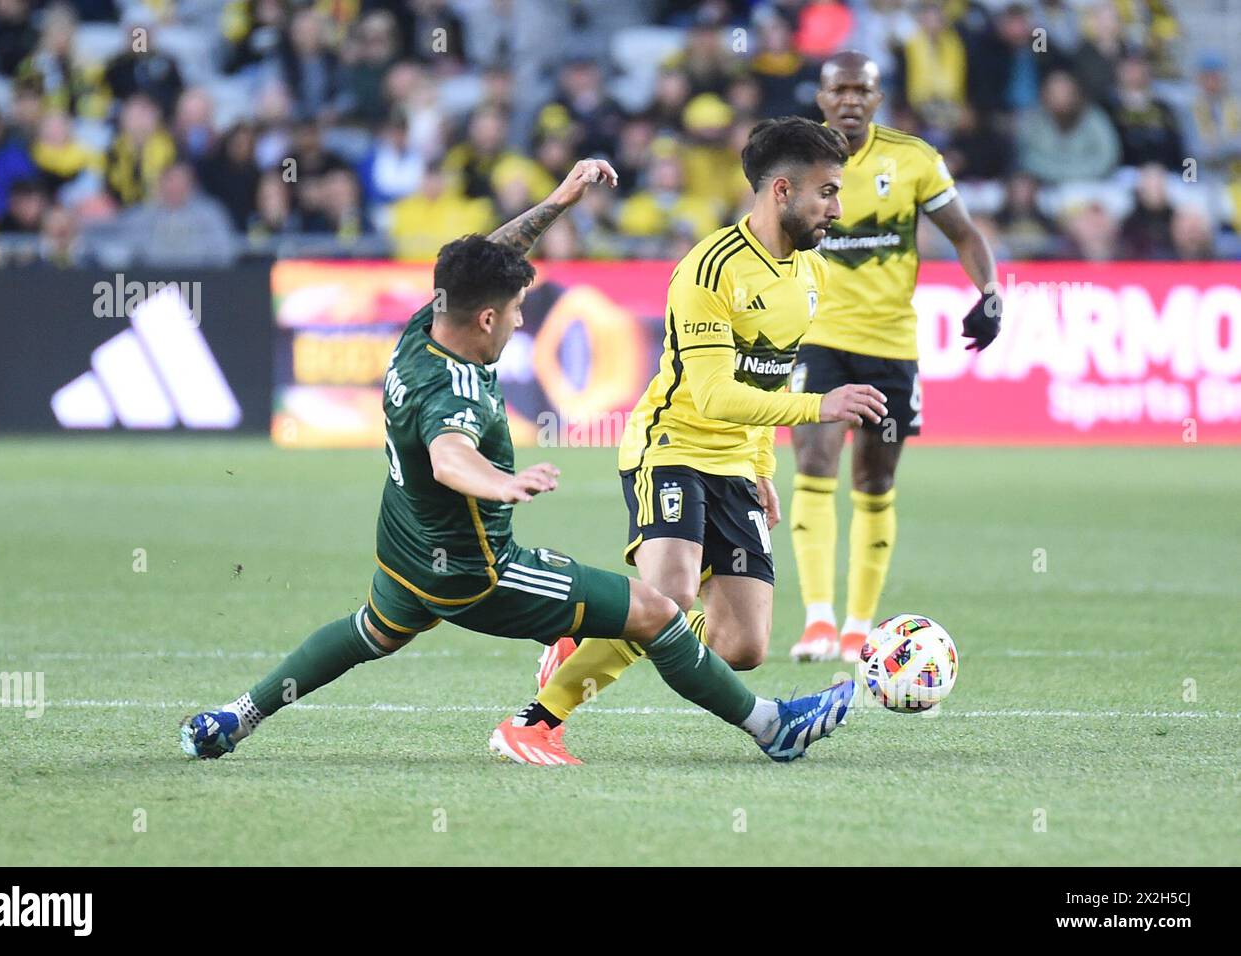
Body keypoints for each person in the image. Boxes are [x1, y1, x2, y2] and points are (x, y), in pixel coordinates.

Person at [181, 159, 856, 767]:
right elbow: (449, 458)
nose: (519, 324)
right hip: (480, 573)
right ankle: (770, 727)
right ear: (484, 321)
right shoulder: (458, 391)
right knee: (655, 610)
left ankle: (236, 716)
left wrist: (559, 201)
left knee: (366, 633)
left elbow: (486, 258)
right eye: (515, 313)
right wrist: (501, 482)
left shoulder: (425, 327)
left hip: (405, 549)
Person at [497, 119, 887, 764]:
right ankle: (534, 723)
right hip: (670, 446)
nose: (837, 209)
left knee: (742, 648)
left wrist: (761, 465)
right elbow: (710, 395)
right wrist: (821, 407)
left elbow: (768, 369)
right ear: (782, 191)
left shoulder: (810, 274)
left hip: (735, 462)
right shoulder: (708, 270)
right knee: (670, 594)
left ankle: (602, 627)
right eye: (827, 193)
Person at [787, 51, 1000, 663]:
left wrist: (989, 291)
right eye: (839, 89)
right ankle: (818, 620)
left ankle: (858, 627)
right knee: (815, 461)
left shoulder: (913, 159)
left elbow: (964, 233)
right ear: (822, 98)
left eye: (863, 90)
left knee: (874, 479)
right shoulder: (798, 162)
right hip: (817, 337)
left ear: (878, 99)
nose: (851, 99)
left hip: (890, 345)